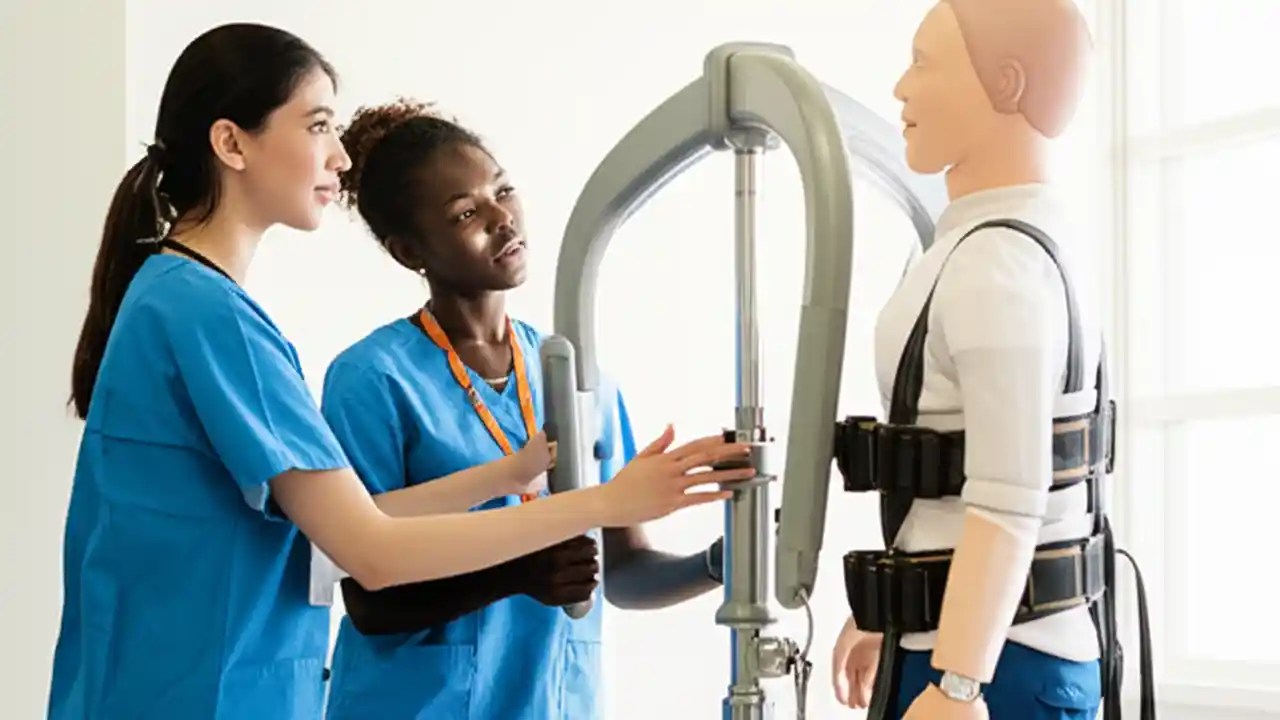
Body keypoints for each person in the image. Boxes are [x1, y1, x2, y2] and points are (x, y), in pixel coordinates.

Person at [49, 23, 753, 720]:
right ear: (232, 143)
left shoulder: (184, 298)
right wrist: (604, 503)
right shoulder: (214, 319)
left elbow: (343, 519)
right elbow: (370, 555)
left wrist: (512, 475)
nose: (340, 159)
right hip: (198, 691)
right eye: (318, 126)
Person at [311, 97, 731, 720]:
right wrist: (514, 574)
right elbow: (367, 597)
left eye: (502, 189)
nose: (502, 218)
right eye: (465, 213)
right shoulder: (372, 379)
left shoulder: (577, 378)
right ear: (409, 251)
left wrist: (722, 564)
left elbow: (622, 571)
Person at [828, 1, 1135, 719]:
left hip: (1001, 669)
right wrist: (898, 614)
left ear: (1008, 82)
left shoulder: (1000, 260)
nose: (901, 88)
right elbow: (955, 488)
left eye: (925, 63)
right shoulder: (1006, 241)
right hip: (978, 652)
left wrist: (958, 682)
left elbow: (1010, 495)